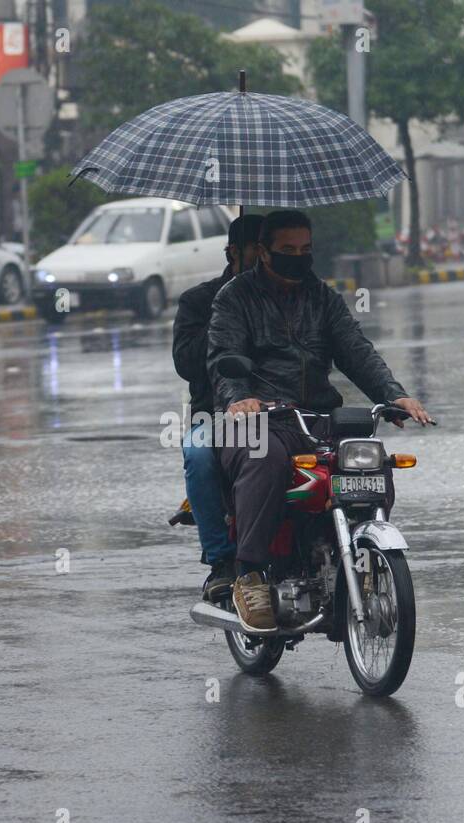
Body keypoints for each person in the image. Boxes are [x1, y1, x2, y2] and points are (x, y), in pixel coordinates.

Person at [207, 210, 431, 634]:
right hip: (257, 420)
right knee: (265, 459)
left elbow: (356, 350)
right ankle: (250, 574)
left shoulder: (322, 297)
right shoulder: (233, 298)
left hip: (317, 418)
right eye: (287, 250)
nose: (298, 257)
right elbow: (221, 360)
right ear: (263, 251)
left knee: (370, 466)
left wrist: (393, 394)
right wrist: (240, 399)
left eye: (305, 250)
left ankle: (351, 559)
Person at [172, 213, 263, 599]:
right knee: (199, 455)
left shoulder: (291, 298)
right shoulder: (197, 301)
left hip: (281, 411)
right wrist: (224, 313)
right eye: (255, 253)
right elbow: (186, 363)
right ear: (233, 253)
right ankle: (221, 561)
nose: (264, 262)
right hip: (217, 414)